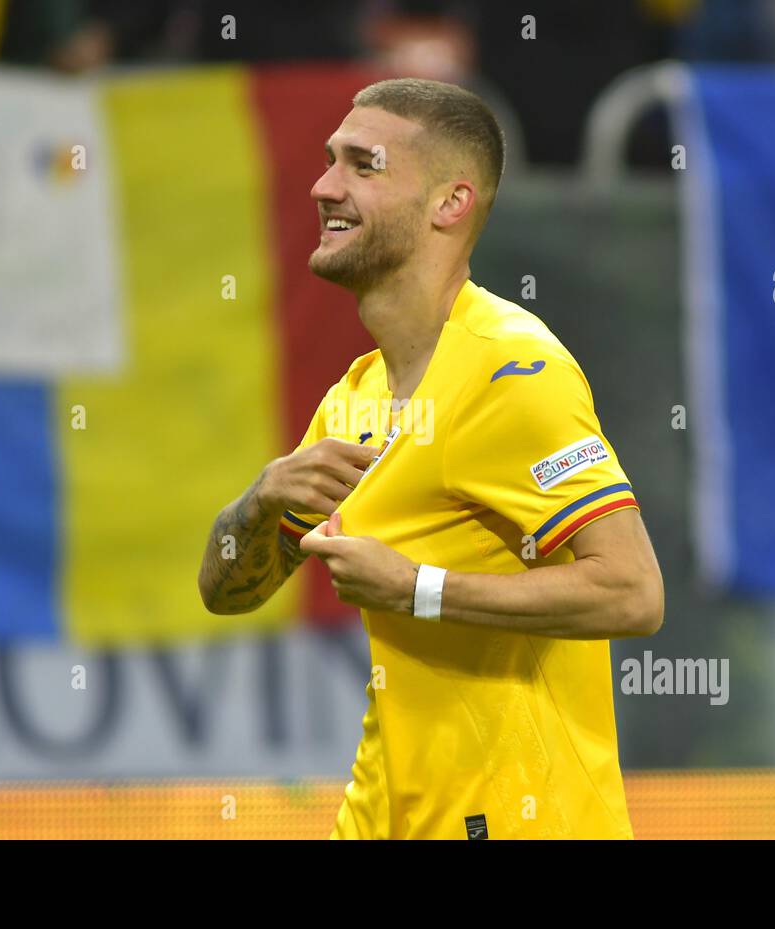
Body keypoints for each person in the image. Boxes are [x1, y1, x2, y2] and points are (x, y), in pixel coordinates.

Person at [198, 78, 663, 840]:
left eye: (362, 165)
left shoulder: (513, 370)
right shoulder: (353, 396)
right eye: (327, 161)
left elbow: (634, 593)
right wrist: (260, 501)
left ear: (451, 203)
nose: (323, 186)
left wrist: (417, 588)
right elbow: (229, 594)